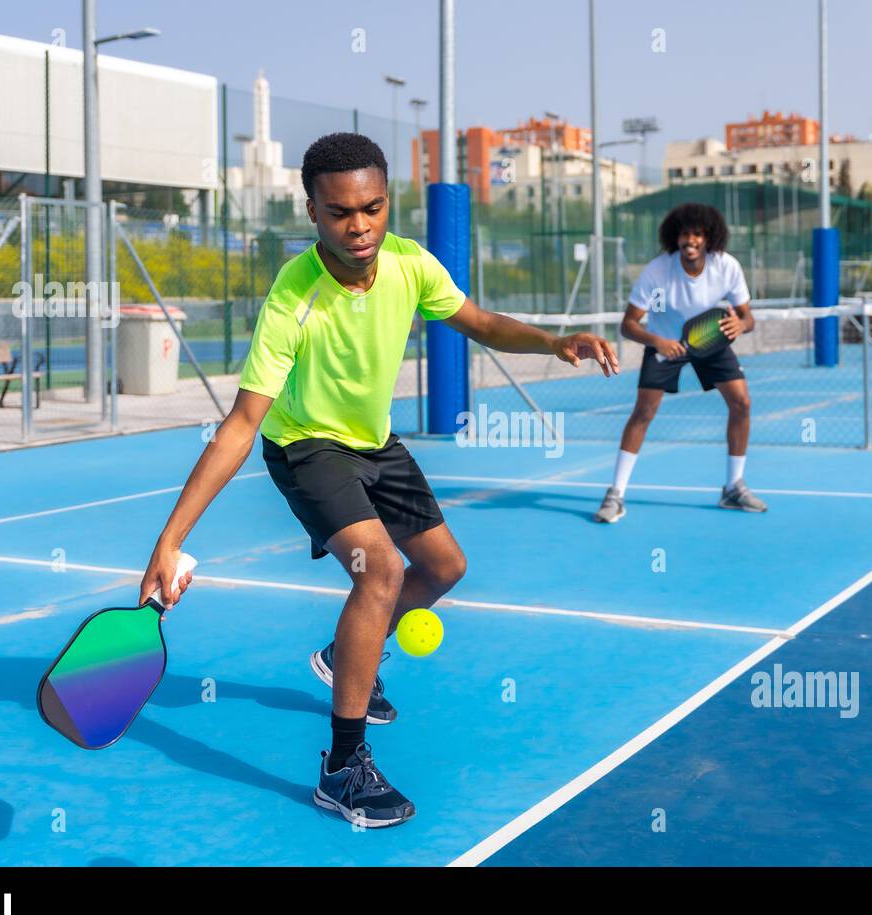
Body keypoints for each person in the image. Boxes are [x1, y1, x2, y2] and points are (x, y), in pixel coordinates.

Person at [137, 133, 618, 828]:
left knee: (446, 567)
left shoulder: (408, 263)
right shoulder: (293, 297)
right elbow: (242, 424)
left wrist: (552, 340)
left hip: (375, 443)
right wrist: (170, 539)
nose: (358, 226)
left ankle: (346, 653)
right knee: (381, 571)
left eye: (372, 208)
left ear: (387, 202)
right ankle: (342, 768)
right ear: (312, 212)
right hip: (306, 447)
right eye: (340, 213)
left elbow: (477, 320)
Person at [593, 203, 764, 523]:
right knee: (643, 413)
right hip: (665, 341)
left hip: (710, 341)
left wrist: (742, 325)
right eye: (685, 233)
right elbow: (628, 324)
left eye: (698, 234)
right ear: (676, 237)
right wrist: (658, 342)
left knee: (741, 403)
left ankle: (733, 488)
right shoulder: (657, 270)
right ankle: (615, 494)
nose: (691, 240)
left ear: (709, 238)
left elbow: (747, 317)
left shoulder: (726, 266)